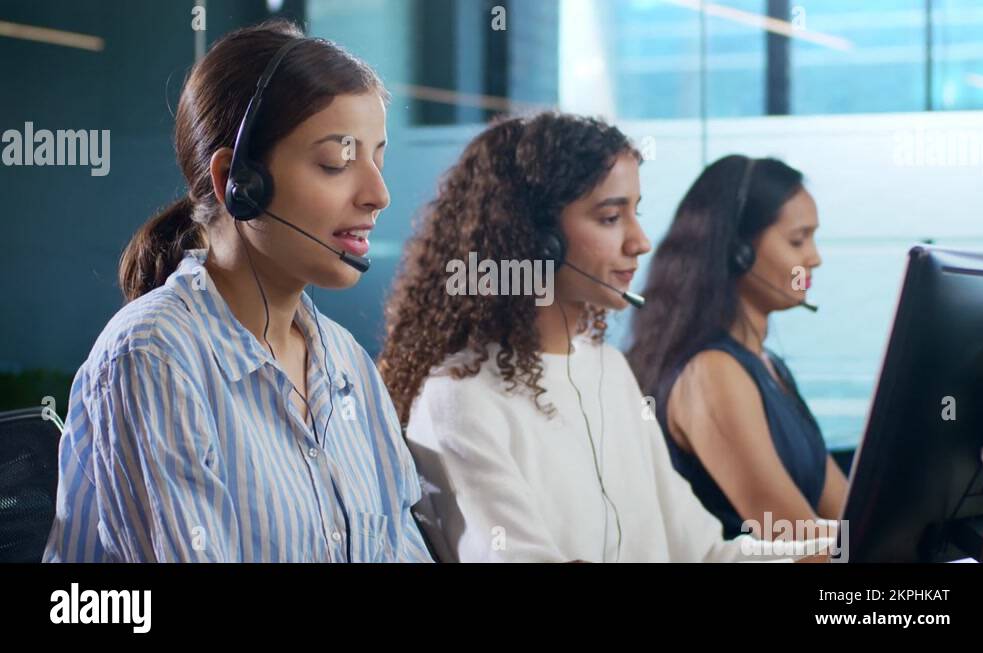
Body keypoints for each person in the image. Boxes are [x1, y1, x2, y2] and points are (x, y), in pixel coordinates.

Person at [43, 20, 431, 563]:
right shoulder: (154, 356)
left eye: (378, 160)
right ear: (238, 181)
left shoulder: (346, 366)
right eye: (336, 163)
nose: (378, 194)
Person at [379, 116, 828, 562]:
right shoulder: (460, 397)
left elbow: (704, 551)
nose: (641, 241)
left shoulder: (609, 369)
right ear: (539, 241)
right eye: (611, 217)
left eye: (637, 212)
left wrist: (845, 548)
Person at [627, 155, 847, 542]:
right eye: (798, 240)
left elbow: (848, 514)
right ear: (738, 251)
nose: (815, 258)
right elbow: (795, 541)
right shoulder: (713, 373)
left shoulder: (770, 368)